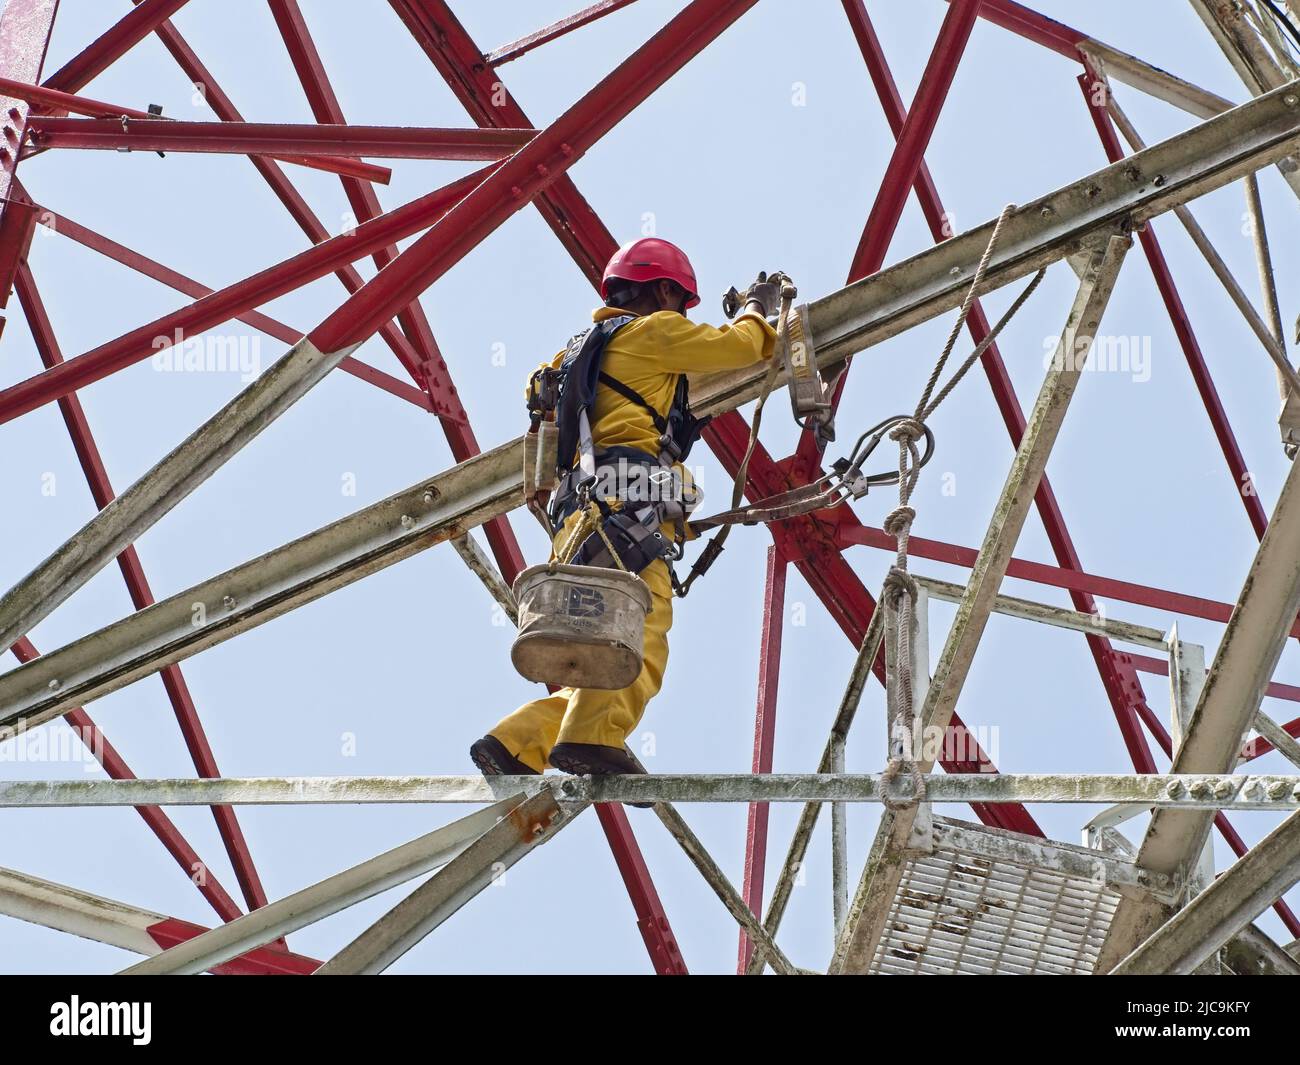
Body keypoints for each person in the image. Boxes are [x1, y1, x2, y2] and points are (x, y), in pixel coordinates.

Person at [470, 237, 782, 780]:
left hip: (577, 519)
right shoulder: (654, 333)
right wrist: (761, 308)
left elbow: (541, 405)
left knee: (595, 646)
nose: (683, 317)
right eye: (681, 304)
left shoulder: (569, 358)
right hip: (626, 513)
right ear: (663, 290)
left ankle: (517, 743)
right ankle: (592, 739)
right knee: (639, 634)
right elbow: (747, 346)